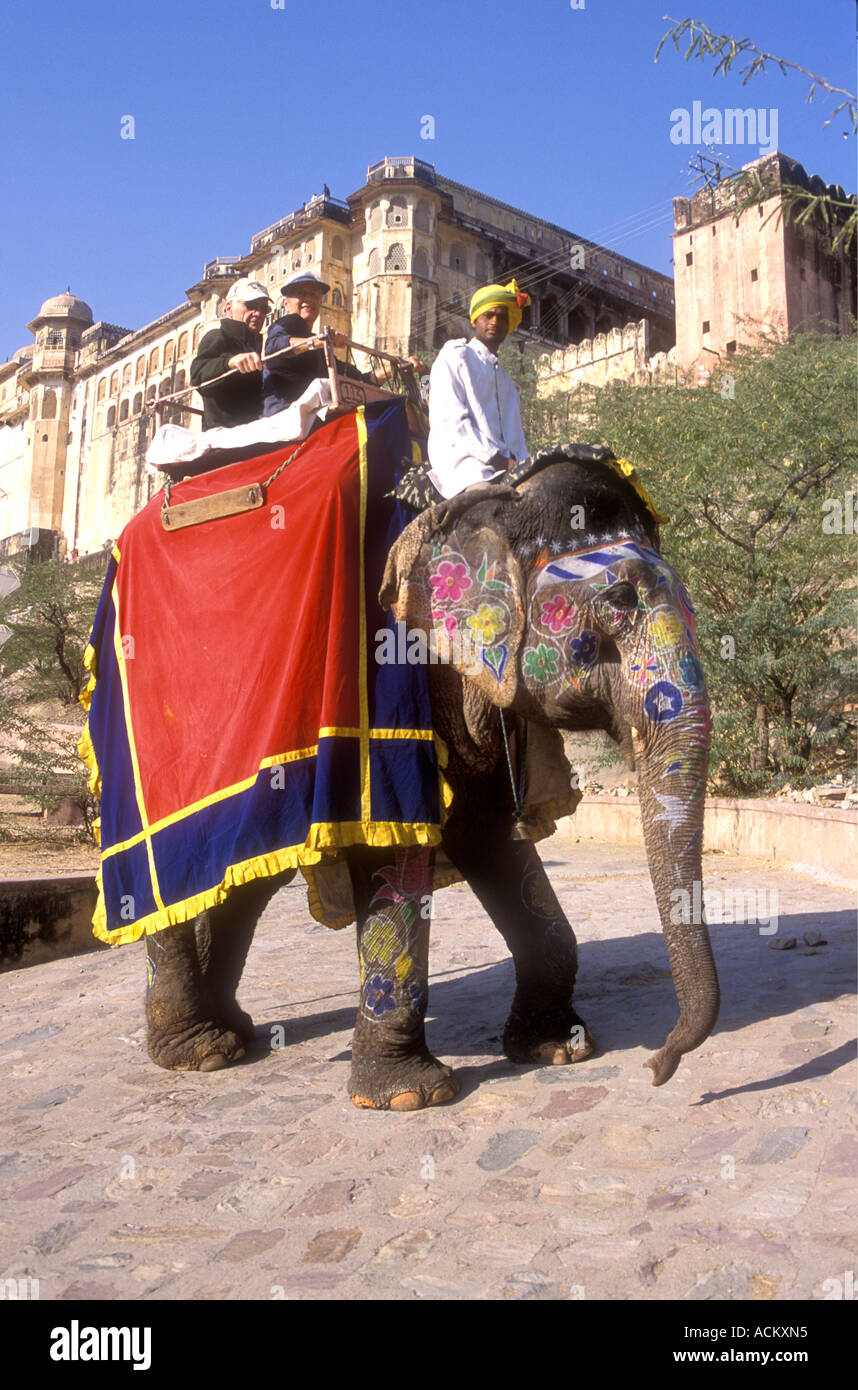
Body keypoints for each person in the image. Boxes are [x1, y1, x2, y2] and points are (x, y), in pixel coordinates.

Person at [262, 269, 427, 415]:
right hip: (283, 413)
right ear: (285, 303)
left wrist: (394, 369)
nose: (308, 299)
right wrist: (319, 341)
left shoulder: (319, 353)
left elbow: (359, 379)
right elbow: (274, 348)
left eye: (313, 294)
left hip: (309, 414)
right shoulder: (288, 323)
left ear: (320, 302)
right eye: (301, 293)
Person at [426, 278, 531, 500]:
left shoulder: (508, 384)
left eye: (502, 318)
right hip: (465, 463)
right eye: (488, 315)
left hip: (506, 468)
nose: (495, 322)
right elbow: (452, 422)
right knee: (489, 507)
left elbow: (517, 440)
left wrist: (524, 466)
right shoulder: (455, 355)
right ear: (474, 321)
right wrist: (497, 459)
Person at [190, 278, 271, 429]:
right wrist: (230, 362)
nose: (258, 313)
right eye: (251, 305)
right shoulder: (218, 336)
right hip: (225, 432)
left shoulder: (255, 347)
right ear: (228, 308)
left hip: (253, 430)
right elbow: (197, 375)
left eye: (264, 309)